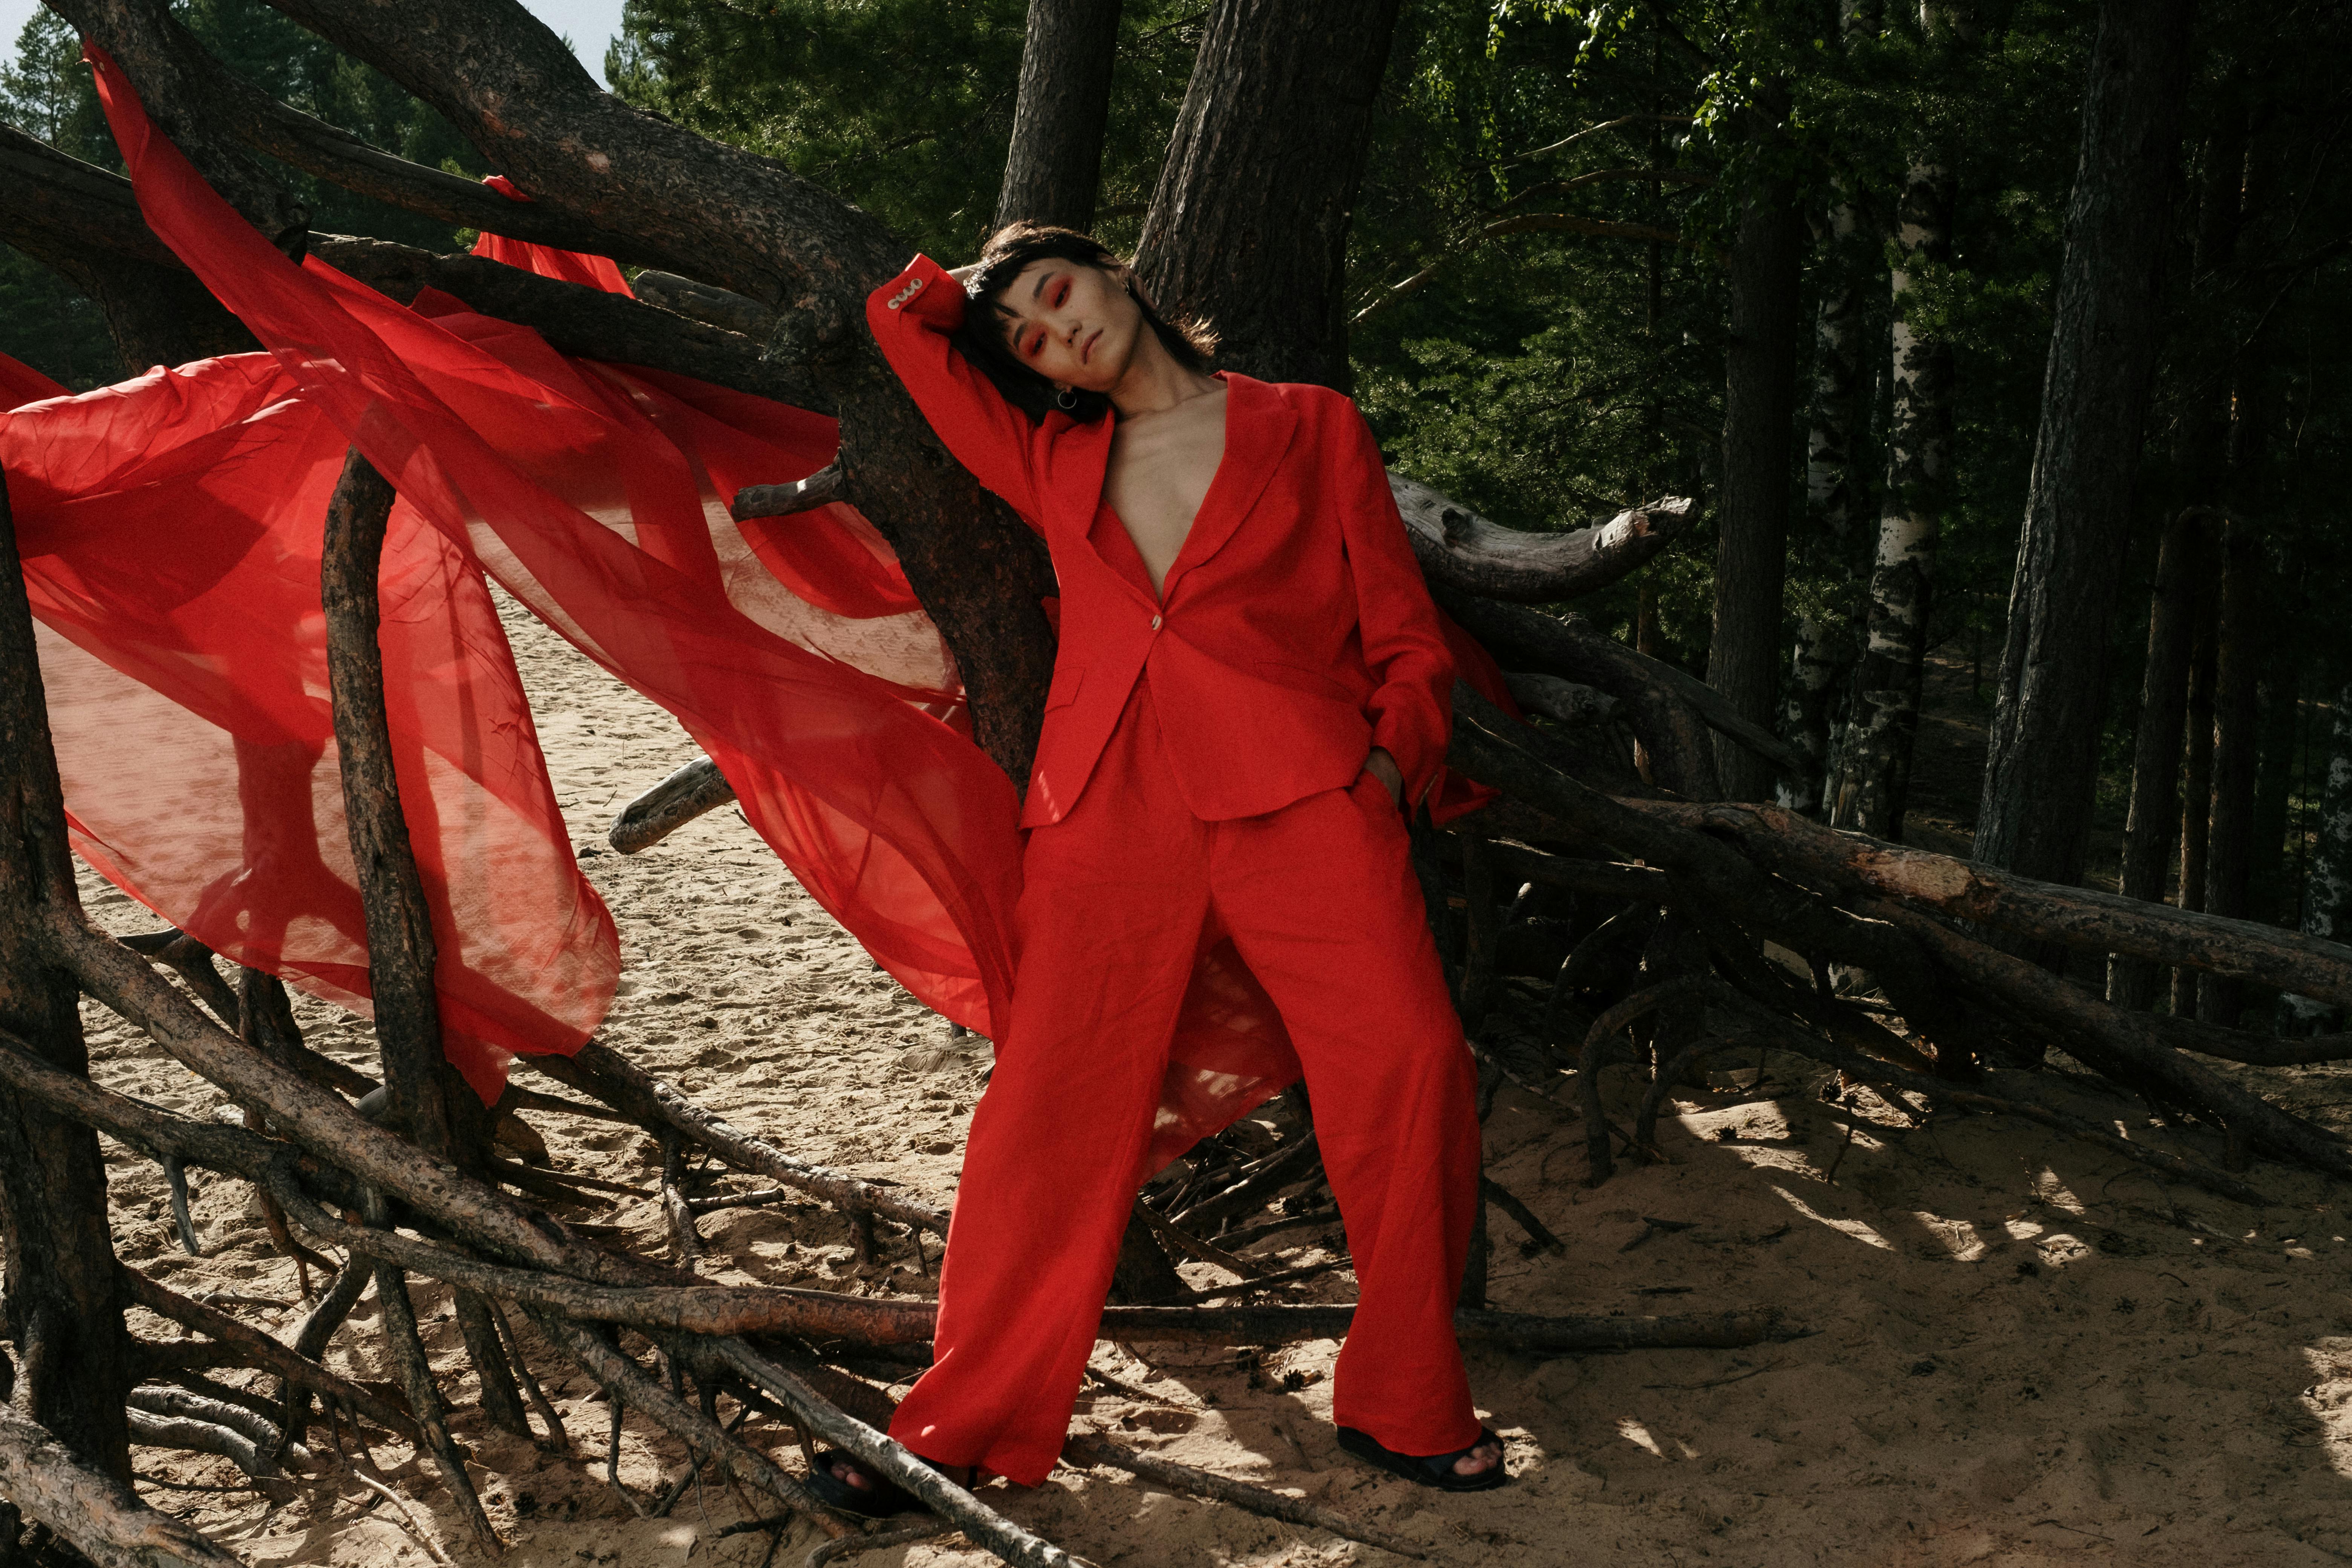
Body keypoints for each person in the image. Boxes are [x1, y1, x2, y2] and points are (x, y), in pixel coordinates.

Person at [813, 224, 1507, 1510]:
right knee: (1050, 1113)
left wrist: (1386, 772)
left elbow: (1406, 634)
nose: (1052, 329)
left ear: (1122, 273)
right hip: (1109, 806)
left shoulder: (1310, 425)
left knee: (1410, 1065)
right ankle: (955, 1431)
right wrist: (962, 293)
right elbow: (898, 327)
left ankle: (1404, 1398)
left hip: (1304, 792)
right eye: (1024, 334)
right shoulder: (1047, 450)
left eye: (1059, 290)